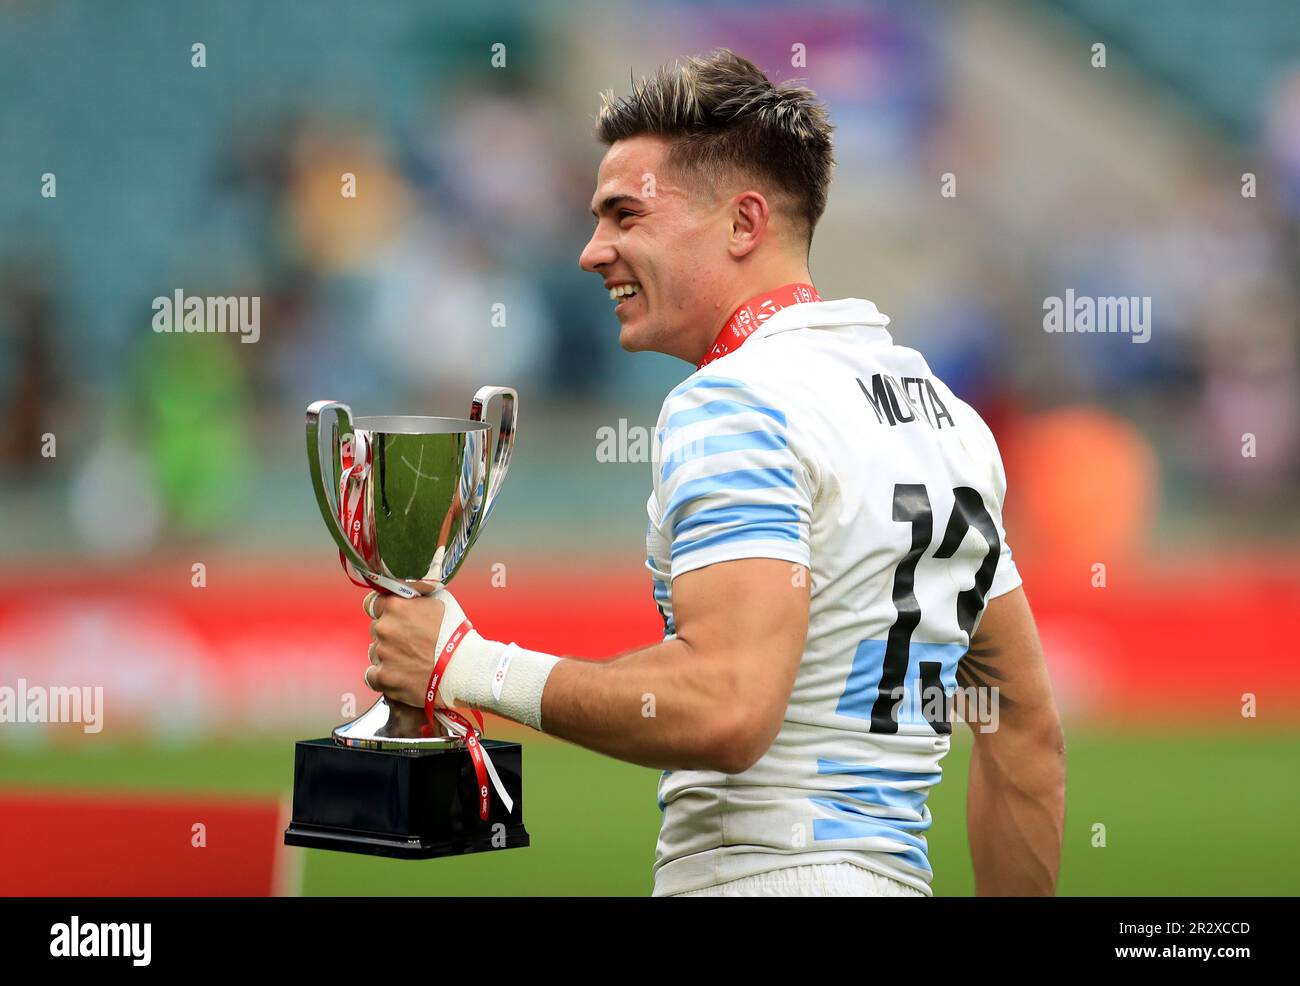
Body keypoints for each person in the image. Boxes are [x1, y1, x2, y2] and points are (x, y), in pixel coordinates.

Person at [362, 48, 1066, 897]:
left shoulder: (734, 402)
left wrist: (463, 666)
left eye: (626, 215)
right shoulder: (949, 421)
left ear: (743, 224)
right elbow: (1025, 728)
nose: (592, 251)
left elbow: (727, 705)